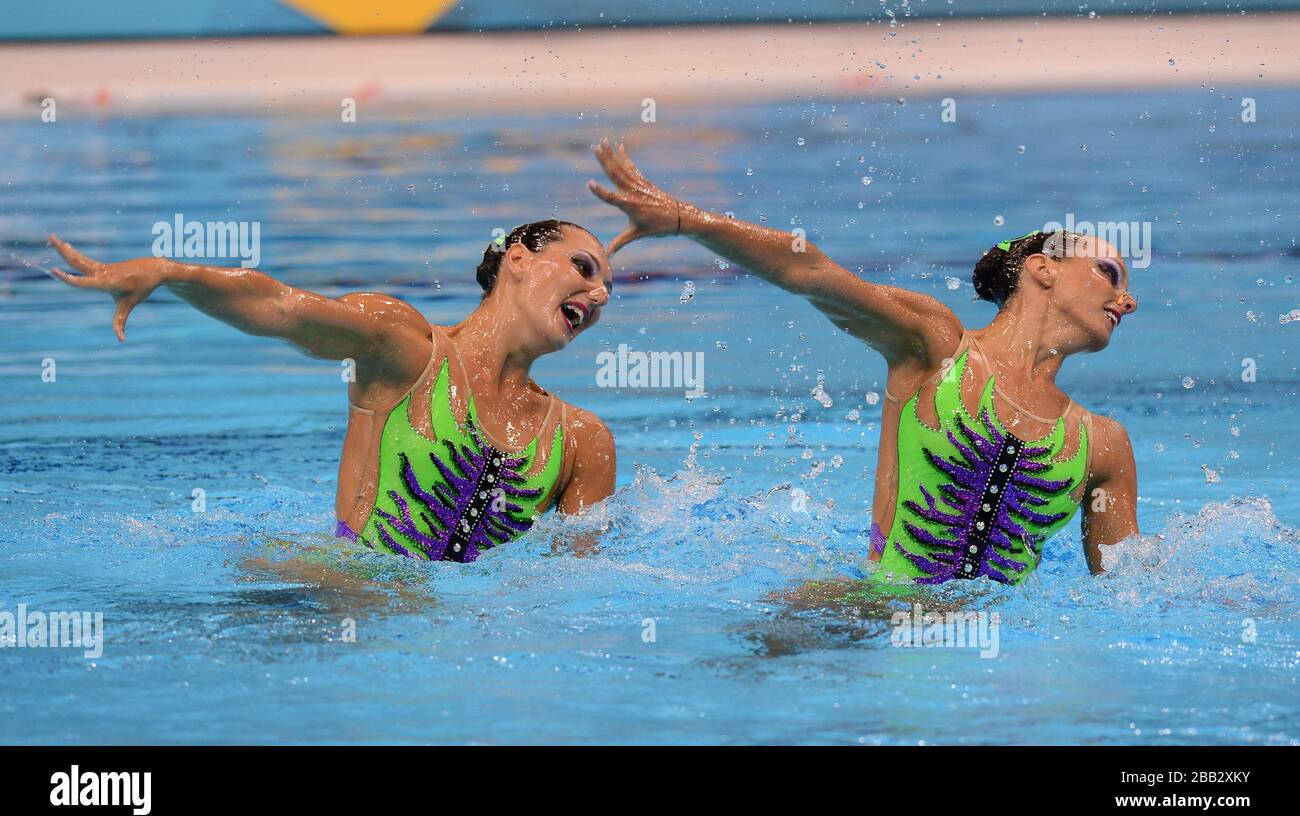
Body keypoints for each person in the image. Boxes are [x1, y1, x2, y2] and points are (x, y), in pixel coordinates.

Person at [588, 140, 1138, 584]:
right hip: (874, 620)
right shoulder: (937, 347)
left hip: (1004, 655)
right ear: (1043, 269)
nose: (1127, 300)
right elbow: (811, 272)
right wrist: (686, 220)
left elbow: (1125, 592)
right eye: (1109, 273)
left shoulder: (1103, 443)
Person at [48, 219, 616, 562]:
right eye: (583, 268)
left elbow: (574, 586)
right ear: (517, 259)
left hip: (471, 647)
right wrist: (171, 274)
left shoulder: (582, 441)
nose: (598, 295)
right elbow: (282, 307)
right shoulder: (406, 349)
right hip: (343, 604)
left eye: (607, 288)